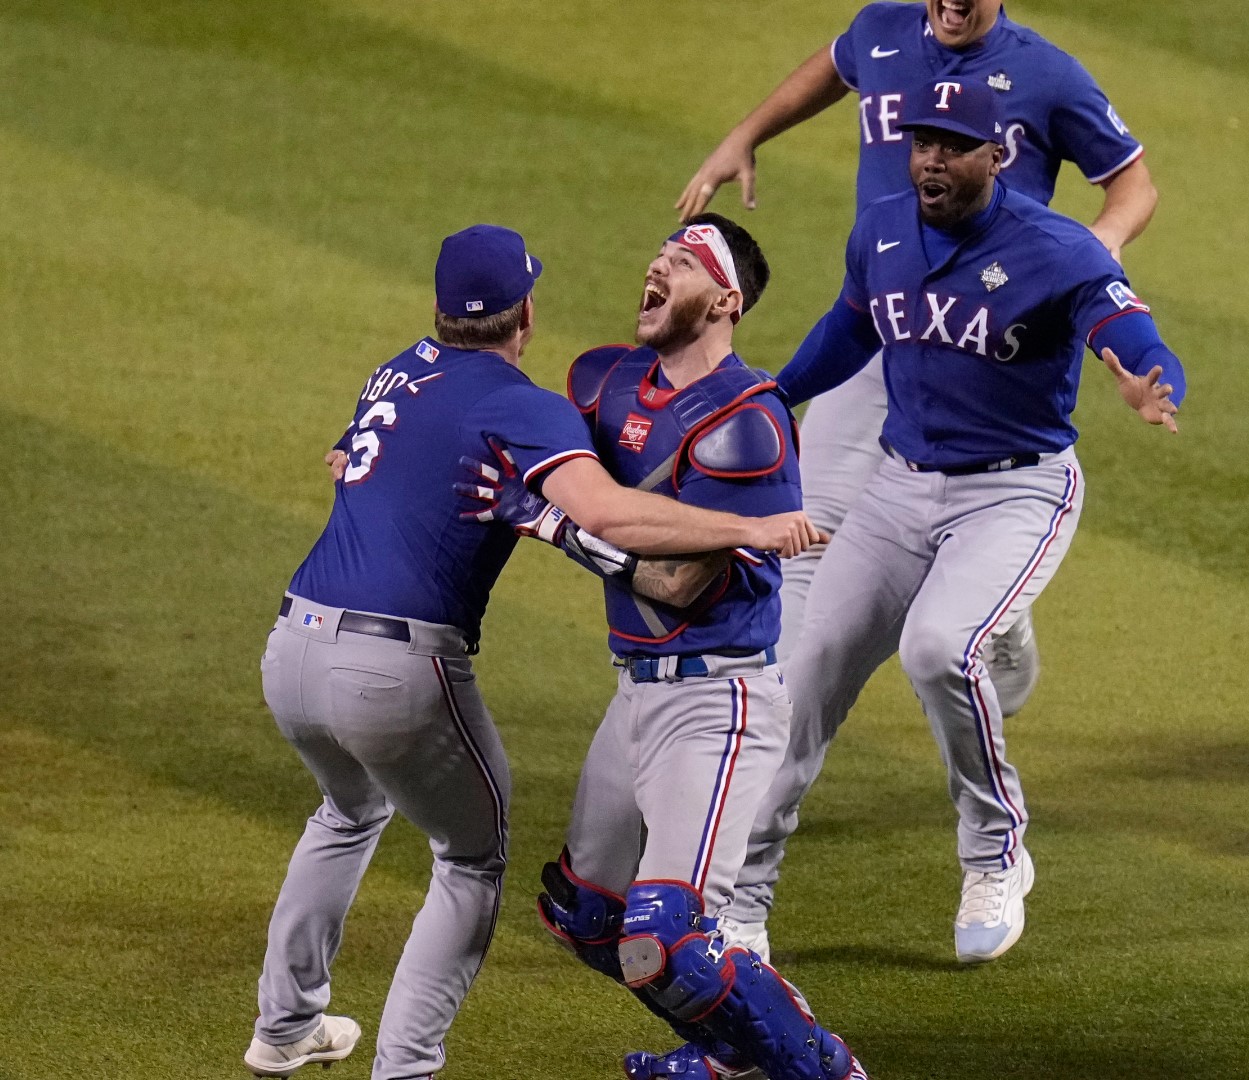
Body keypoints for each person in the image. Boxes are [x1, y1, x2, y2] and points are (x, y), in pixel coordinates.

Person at [247, 224, 819, 1080]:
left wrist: (538, 510)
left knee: (348, 812)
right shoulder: (532, 402)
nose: (657, 261)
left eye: (685, 257)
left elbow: (351, 456)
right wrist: (754, 530)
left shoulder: (397, 370)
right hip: (394, 665)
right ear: (527, 311)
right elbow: (613, 518)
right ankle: (406, 1069)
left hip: (290, 647)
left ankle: (287, 1025)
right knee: (472, 860)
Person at [724, 76, 1184, 965]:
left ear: (996, 156)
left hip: (1014, 492)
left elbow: (1126, 324)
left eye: (951, 144)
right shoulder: (884, 228)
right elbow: (852, 327)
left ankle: (995, 853)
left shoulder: (1058, 248)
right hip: (898, 487)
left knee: (938, 649)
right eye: (921, 140)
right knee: (806, 668)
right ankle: (741, 902)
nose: (930, 157)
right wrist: (779, 392)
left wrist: (1145, 374)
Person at [677, 0, 1160, 733]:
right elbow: (839, 64)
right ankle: (769, 737)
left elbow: (1133, 183)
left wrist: (1094, 251)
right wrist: (746, 134)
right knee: (807, 525)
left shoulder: (1047, 74)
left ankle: (998, 614)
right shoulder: (883, 30)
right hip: (887, 317)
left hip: (984, 338)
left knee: (964, 503)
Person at [459, 216, 865, 1080]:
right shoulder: (601, 379)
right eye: (659, 252)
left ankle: (824, 1068)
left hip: (717, 705)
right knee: (588, 917)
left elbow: (682, 585)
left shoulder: (746, 423)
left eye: (682, 262)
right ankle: (730, 1056)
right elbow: (510, 443)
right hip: (636, 693)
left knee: (668, 934)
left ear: (725, 301)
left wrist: (551, 526)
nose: (656, 264)